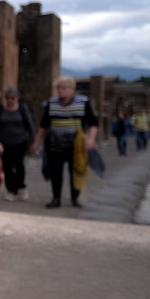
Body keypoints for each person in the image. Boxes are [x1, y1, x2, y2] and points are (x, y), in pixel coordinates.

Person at [30, 76, 98, 208]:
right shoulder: (51, 103)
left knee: (76, 171)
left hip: (76, 144)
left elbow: (93, 123)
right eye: (58, 88)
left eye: (63, 88)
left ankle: (75, 198)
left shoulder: (83, 102)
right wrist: (37, 142)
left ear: (72, 89)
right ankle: (56, 198)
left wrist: (91, 138)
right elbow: (44, 125)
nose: (60, 91)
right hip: (56, 144)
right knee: (56, 172)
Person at [0, 86, 34, 201]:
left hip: (20, 141)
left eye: (12, 98)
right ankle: (11, 190)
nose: (10, 100)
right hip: (4, 143)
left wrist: (32, 141)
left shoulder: (22, 109)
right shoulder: (0, 109)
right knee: (7, 167)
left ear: (17, 98)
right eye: (7, 98)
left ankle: (21, 187)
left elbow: (29, 125)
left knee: (19, 165)